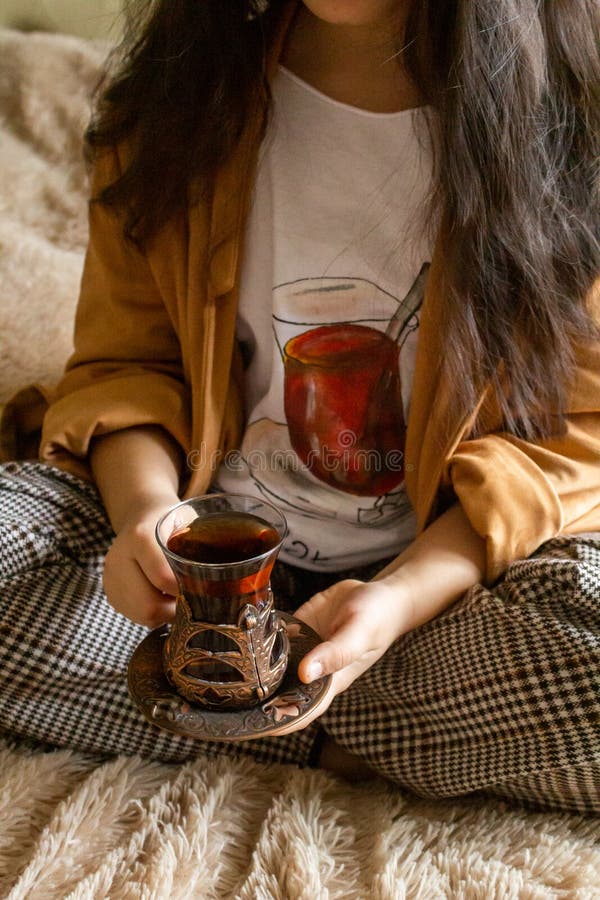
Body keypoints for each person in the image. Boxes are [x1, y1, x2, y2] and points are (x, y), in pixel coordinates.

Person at [1, 0, 599, 813]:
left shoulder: (574, 130)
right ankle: (360, 730)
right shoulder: (175, 105)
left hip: (444, 597)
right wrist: (149, 520)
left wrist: (399, 600)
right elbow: (127, 364)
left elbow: (577, 439)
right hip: (202, 573)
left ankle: (243, 709)